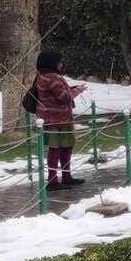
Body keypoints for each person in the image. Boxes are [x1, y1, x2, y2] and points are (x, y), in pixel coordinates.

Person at [33, 49, 87, 191]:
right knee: (58, 148)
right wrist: (78, 90)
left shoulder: (41, 76)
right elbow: (65, 97)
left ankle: (63, 177)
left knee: (61, 147)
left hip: (51, 118)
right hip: (58, 119)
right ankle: (54, 180)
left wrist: (71, 88)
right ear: (53, 62)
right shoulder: (53, 78)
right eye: (59, 61)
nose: (61, 64)